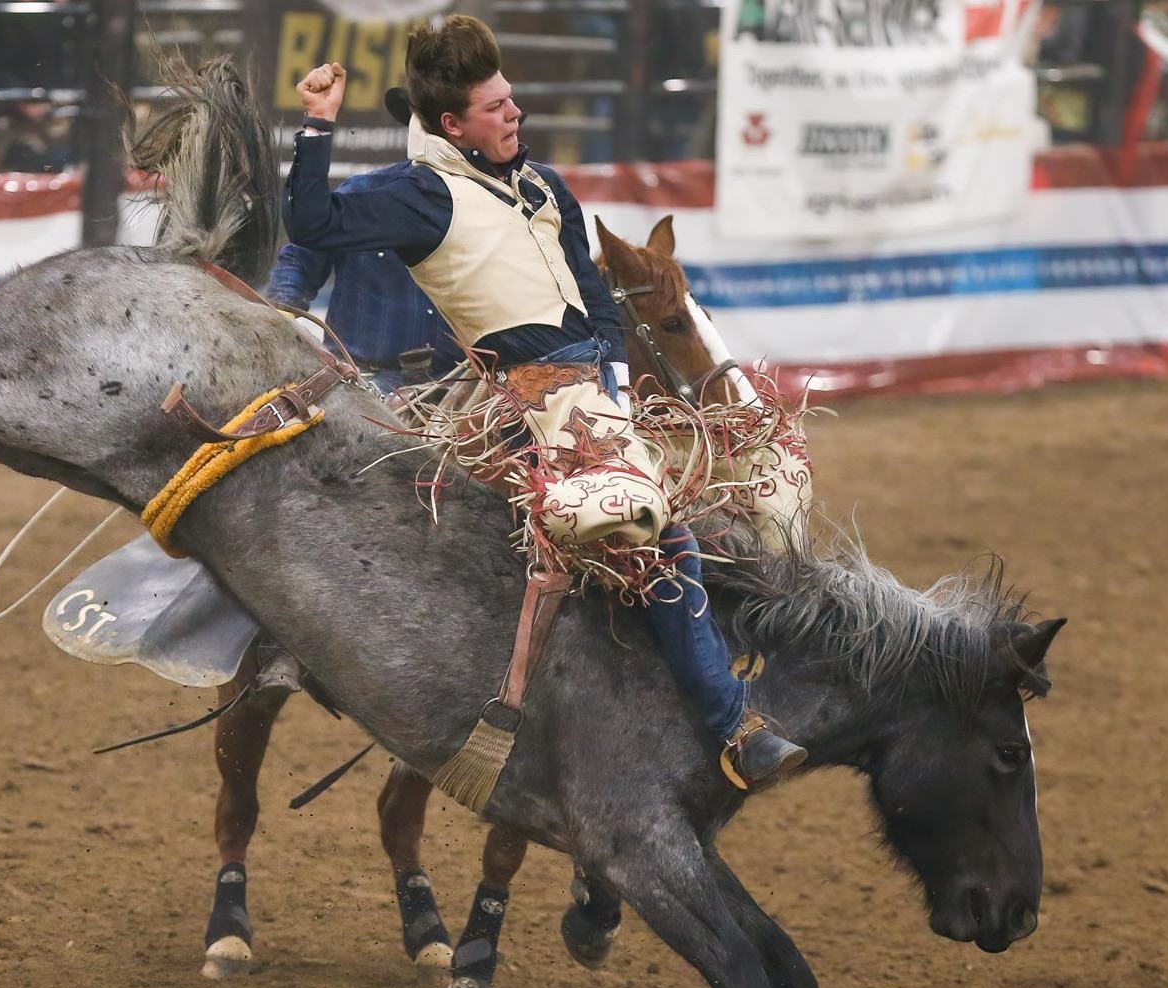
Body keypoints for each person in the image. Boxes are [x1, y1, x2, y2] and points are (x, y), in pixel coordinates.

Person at [282, 15, 805, 788]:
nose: (514, 115)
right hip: (527, 396)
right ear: (454, 125)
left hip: (594, 396)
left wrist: (617, 394)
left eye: (512, 101)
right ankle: (732, 725)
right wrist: (317, 126)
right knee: (664, 539)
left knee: (712, 509)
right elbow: (310, 223)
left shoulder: (541, 184)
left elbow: (593, 295)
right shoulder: (416, 194)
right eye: (496, 109)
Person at [263, 175, 465, 395]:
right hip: (360, 381)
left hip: (464, 384)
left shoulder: (489, 201)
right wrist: (278, 322)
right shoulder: (364, 191)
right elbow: (300, 263)